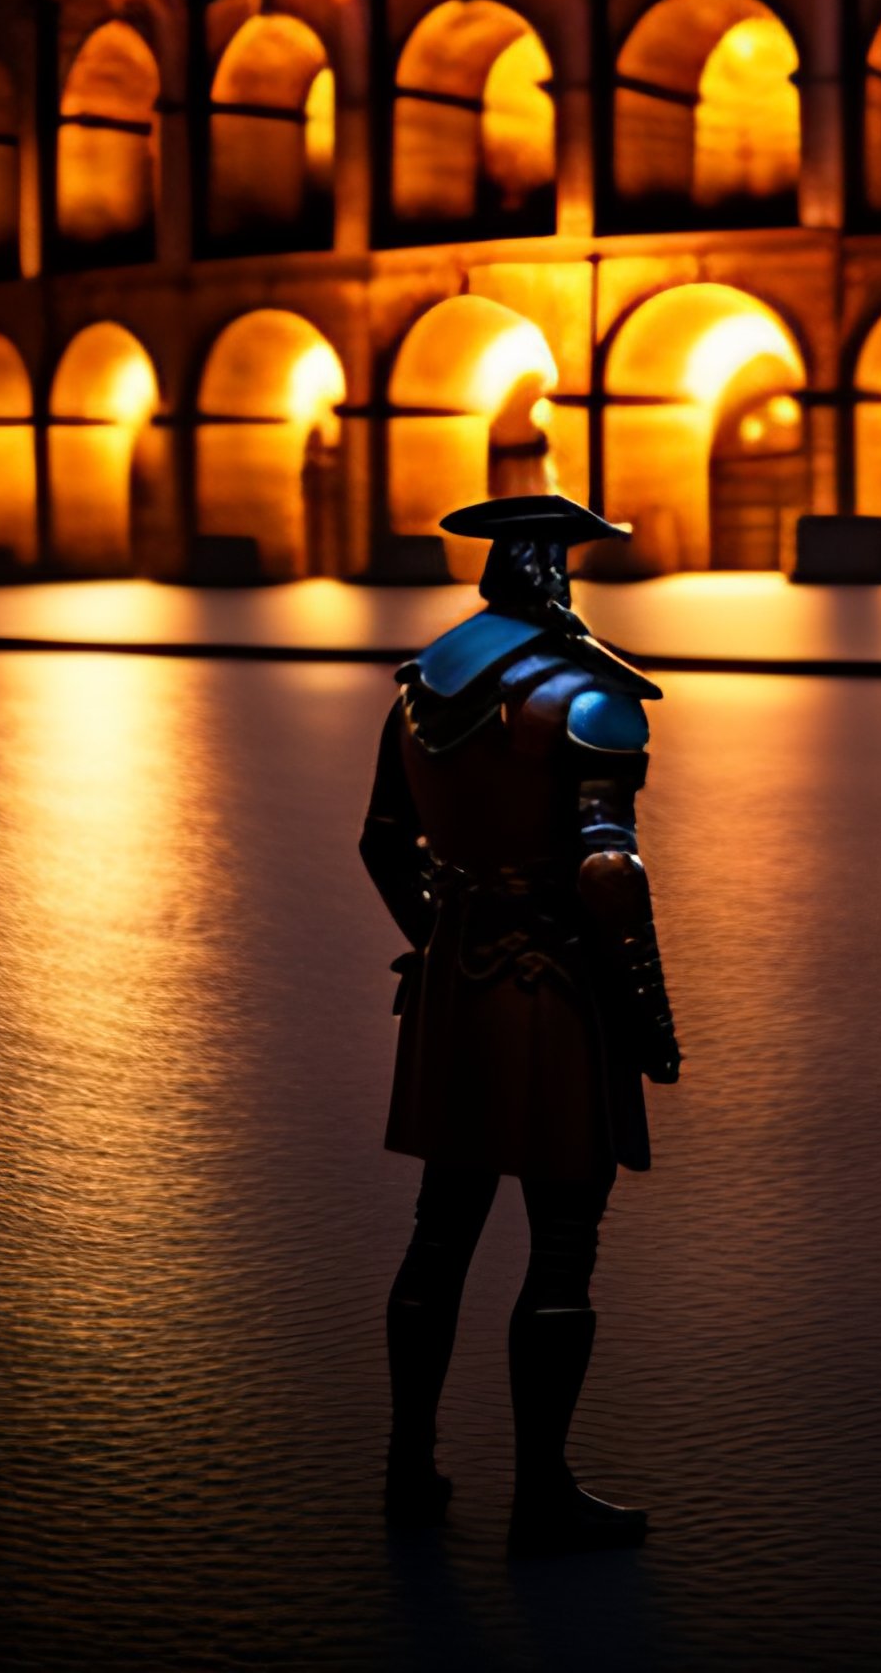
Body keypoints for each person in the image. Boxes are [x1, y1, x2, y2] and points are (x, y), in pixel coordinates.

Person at [359, 495, 681, 1555]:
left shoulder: (419, 693)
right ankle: (540, 1493)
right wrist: (644, 1008)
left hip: (454, 988)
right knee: (561, 1243)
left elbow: (379, 843)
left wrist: (446, 928)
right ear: (555, 577)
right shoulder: (587, 699)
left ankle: (410, 1466)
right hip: (552, 996)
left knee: (438, 1232)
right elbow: (606, 870)